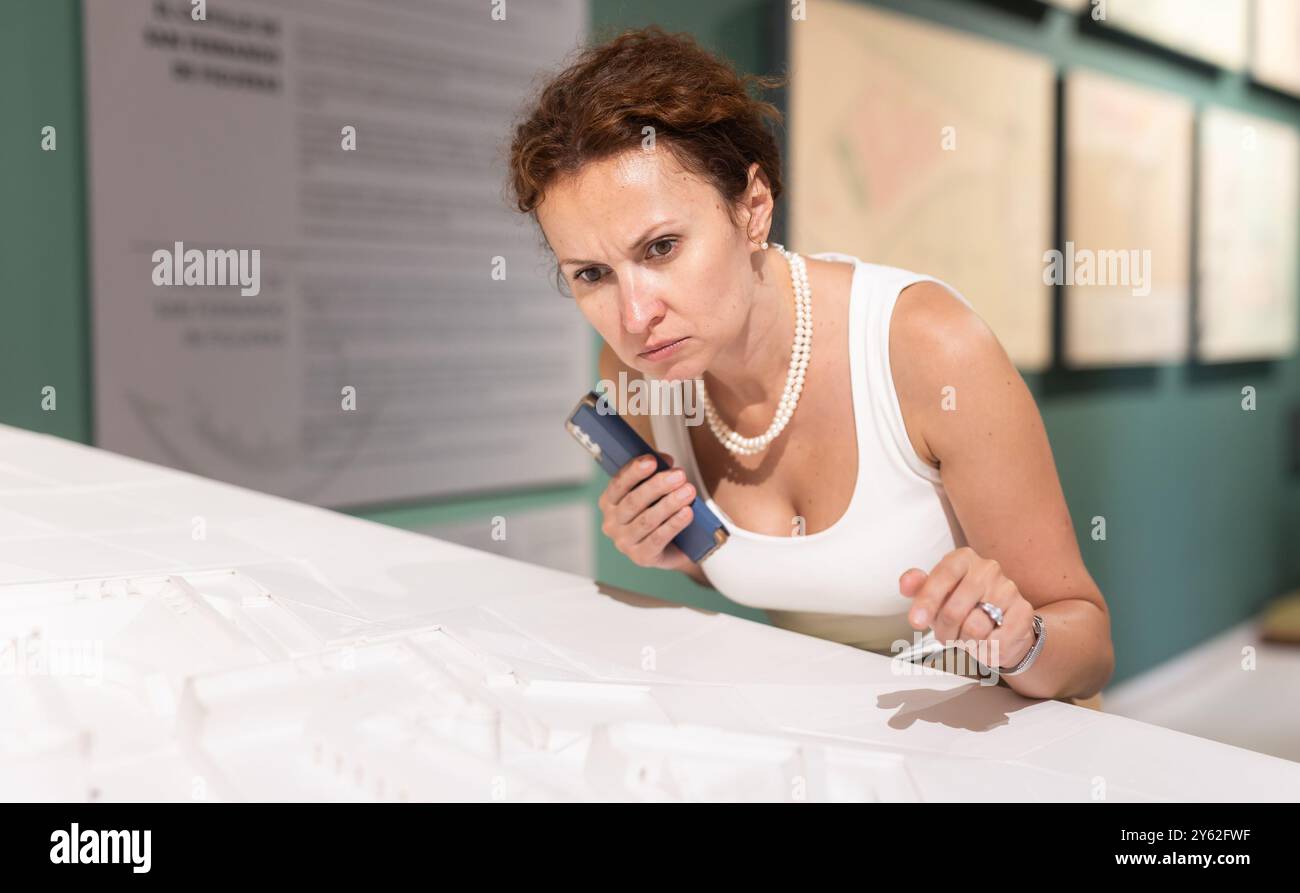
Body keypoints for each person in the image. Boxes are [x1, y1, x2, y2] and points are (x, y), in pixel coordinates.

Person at [506, 26, 1113, 705]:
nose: (634, 315)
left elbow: (1087, 649)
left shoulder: (929, 349)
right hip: (824, 744)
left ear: (753, 207)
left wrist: (1018, 638)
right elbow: (781, 571)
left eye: (662, 248)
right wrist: (680, 553)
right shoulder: (639, 378)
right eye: (591, 273)